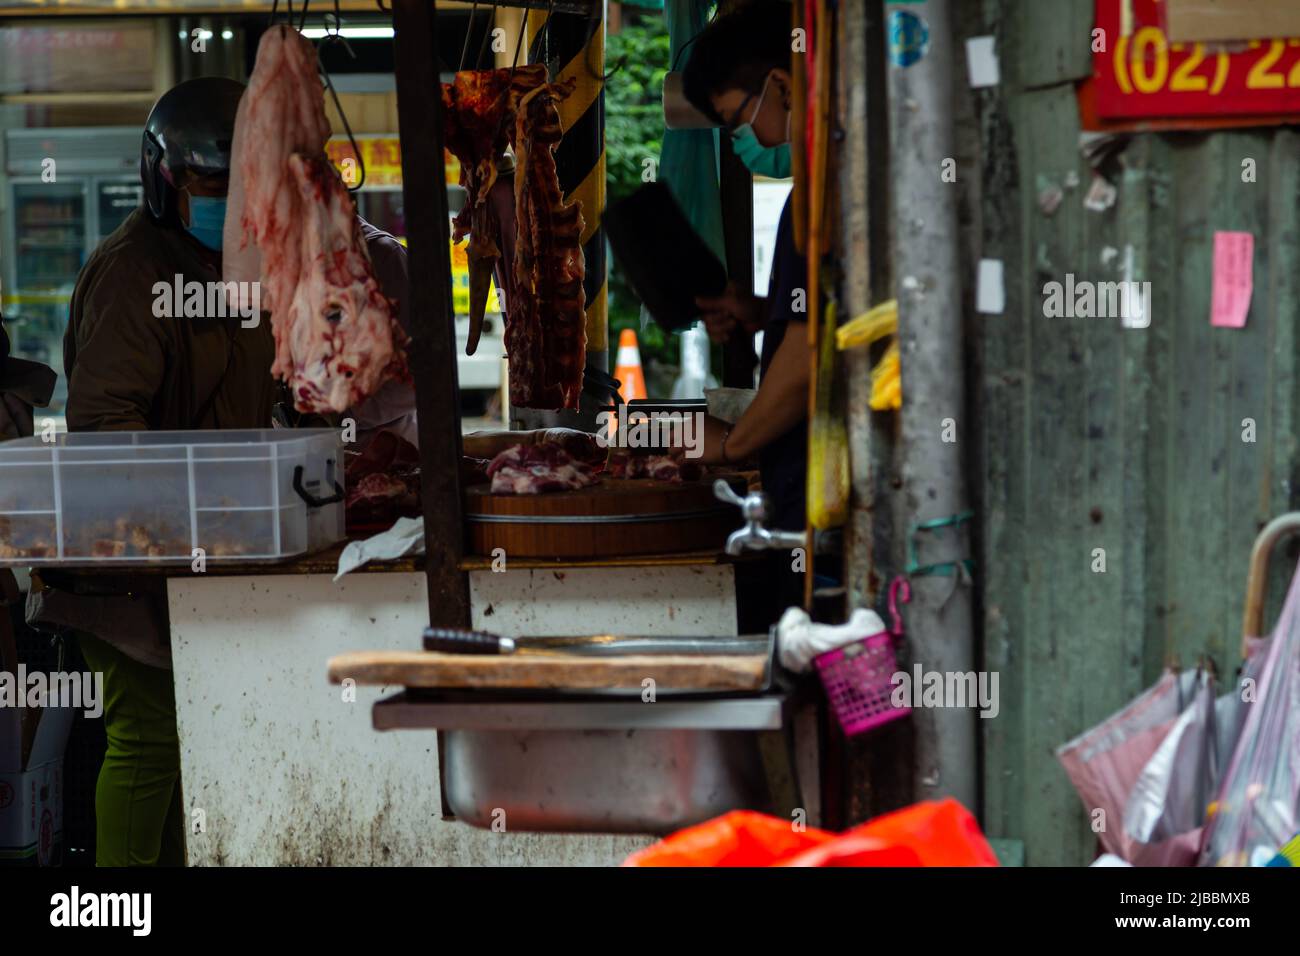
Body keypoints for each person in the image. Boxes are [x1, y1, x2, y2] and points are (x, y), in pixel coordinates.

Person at [681, 0, 811, 535]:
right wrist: (764, 314)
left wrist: (731, 445)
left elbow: (808, 365)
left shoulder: (820, 206)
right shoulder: (806, 203)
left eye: (737, 121)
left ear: (782, 85)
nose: (740, 145)